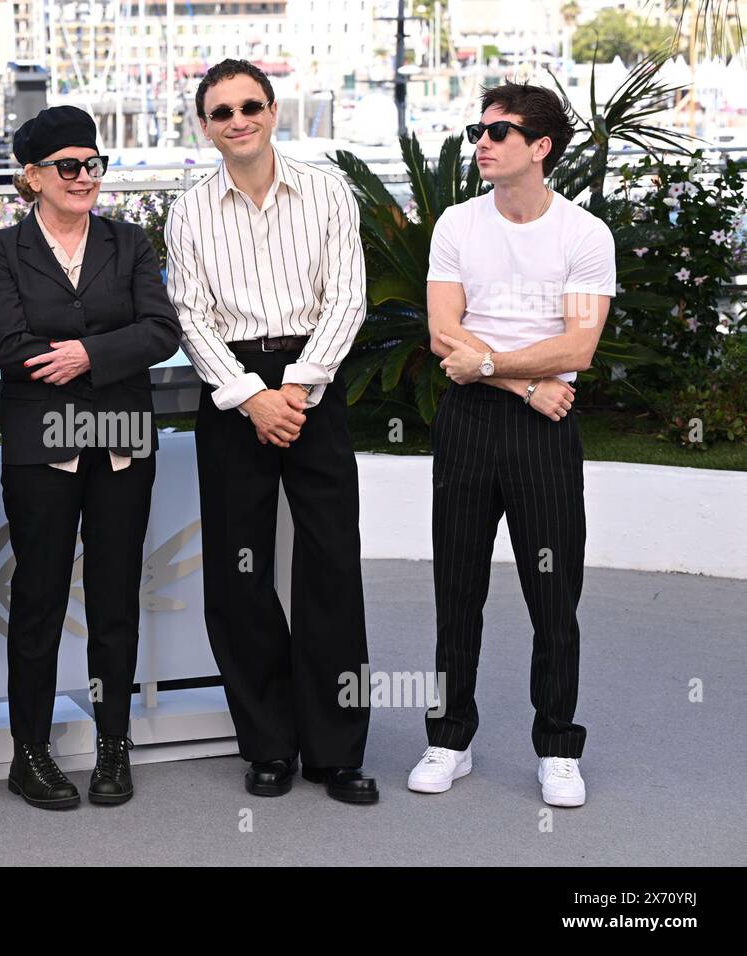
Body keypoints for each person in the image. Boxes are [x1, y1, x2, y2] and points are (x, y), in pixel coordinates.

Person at [165, 59, 377, 804]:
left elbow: (347, 299)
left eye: (249, 105)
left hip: (311, 387)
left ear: (273, 110)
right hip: (234, 398)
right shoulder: (188, 210)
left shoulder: (325, 192)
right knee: (241, 574)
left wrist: (298, 386)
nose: (238, 121)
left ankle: (337, 749)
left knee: (331, 567)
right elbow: (190, 318)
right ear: (205, 126)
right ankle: (267, 744)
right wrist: (252, 397)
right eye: (221, 112)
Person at [410, 83, 614, 808]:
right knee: (456, 589)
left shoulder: (585, 235)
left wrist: (491, 363)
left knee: (554, 596)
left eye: (499, 131)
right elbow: (443, 333)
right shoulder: (458, 225)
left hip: (545, 432)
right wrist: (521, 382)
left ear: (541, 147)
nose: (482, 143)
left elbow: (580, 345)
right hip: (477, 416)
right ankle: (449, 738)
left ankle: (558, 746)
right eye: (477, 129)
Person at [0, 106, 181, 809]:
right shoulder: (2, 250)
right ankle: (29, 752)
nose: (85, 177)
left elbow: (160, 329)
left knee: (115, 599)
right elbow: (7, 345)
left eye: (93, 164)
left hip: (122, 443)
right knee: (37, 599)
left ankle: (112, 748)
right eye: (68, 166)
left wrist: (87, 352)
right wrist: (94, 353)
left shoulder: (130, 244)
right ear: (31, 177)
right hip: (43, 449)